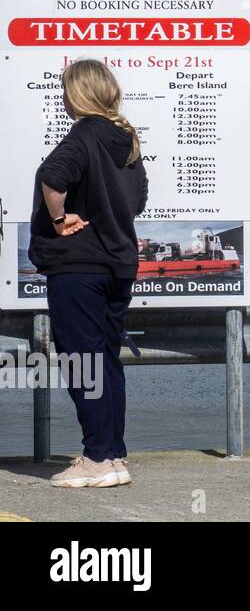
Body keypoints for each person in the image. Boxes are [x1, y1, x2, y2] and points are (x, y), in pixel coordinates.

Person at [29, 59, 148, 488]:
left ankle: (96, 457)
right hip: (118, 265)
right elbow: (139, 201)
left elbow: (52, 176)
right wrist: (106, 214)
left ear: (76, 95)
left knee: (82, 362)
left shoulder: (83, 134)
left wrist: (61, 219)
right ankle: (113, 456)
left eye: (65, 90)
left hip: (78, 267)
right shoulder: (127, 140)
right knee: (105, 361)